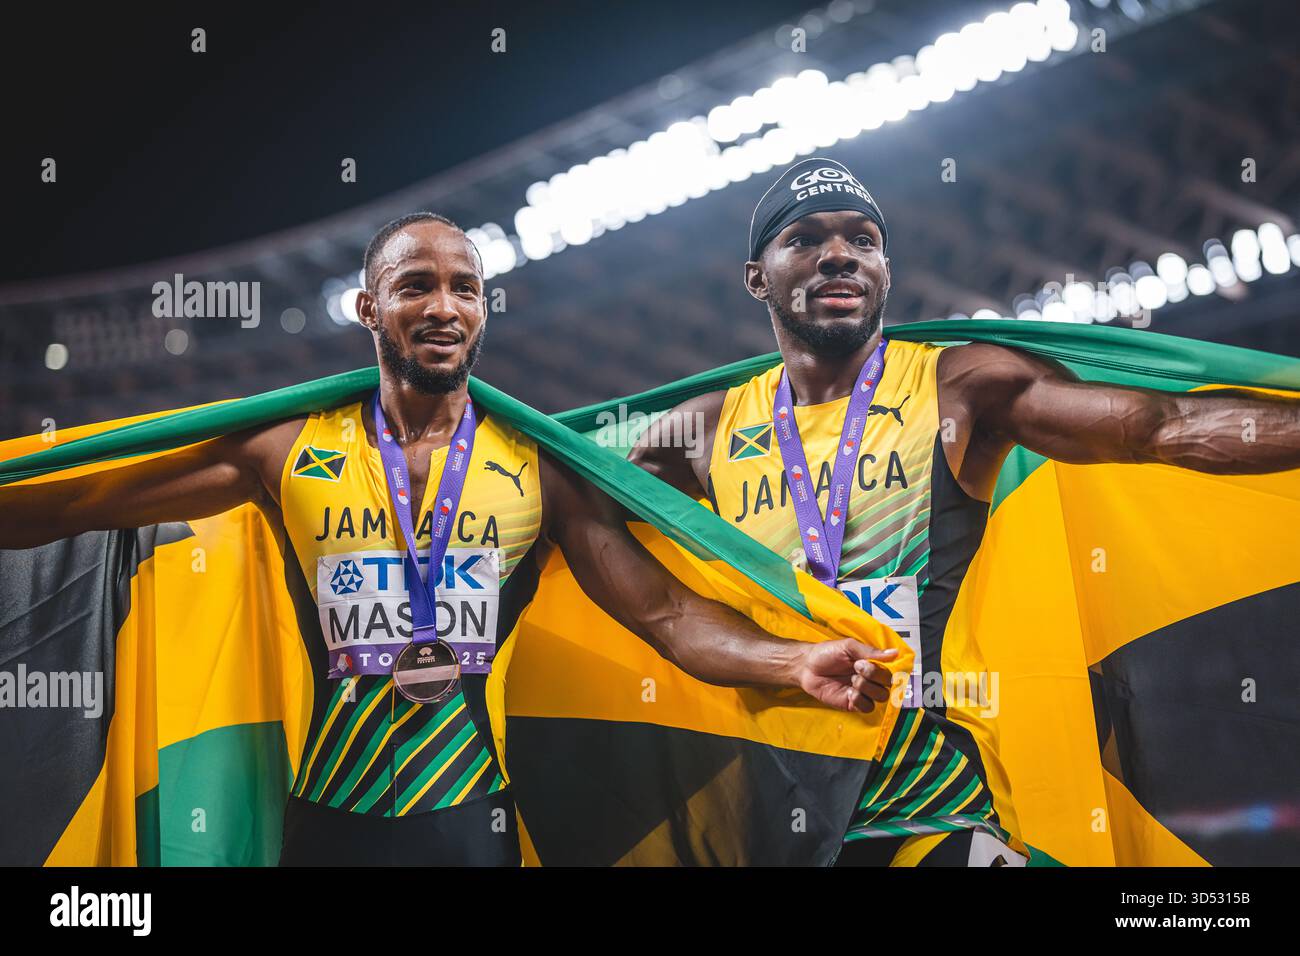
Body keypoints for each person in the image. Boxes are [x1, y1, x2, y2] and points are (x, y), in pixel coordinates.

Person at [0, 212, 900, 865]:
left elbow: (664, 615)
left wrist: (790, 663)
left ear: (483, 308)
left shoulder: (537, 467)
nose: (443, 307)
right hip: (328, 816)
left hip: (473, 822)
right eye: (415, 286)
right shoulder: (286, 450)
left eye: (464, 288)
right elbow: (79, 504)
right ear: (368, 308)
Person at [629, 158, 1300, 866]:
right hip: (780, 806)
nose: (839, 255)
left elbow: (1158, 426)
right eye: (804, 240)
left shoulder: (960, 387)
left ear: (885, 268)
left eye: (863, 239)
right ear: (757, 277)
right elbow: (656, 607)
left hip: (934, 795)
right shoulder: (700, 435)